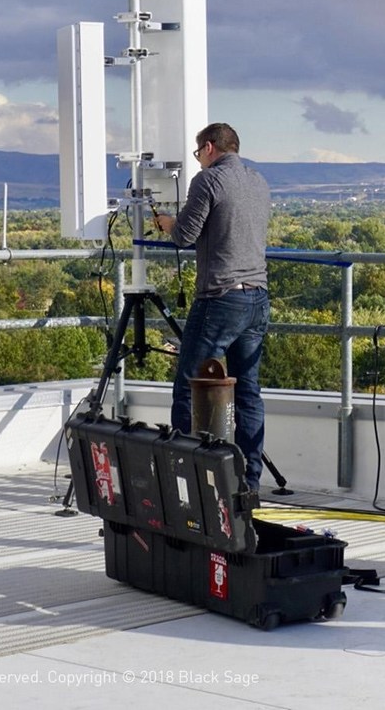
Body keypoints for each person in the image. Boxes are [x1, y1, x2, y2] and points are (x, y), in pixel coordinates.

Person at [152, 123, 273, 501]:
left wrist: (169, 223)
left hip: (220, 297)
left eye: (196, 153)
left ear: (208, 148)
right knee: (248, 389)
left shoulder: (207, 182)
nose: (197, 160)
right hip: (257, 297)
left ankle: (188, 479)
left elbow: (185, 235)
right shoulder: (258, 181)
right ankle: (248, 482)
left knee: (189, 384)